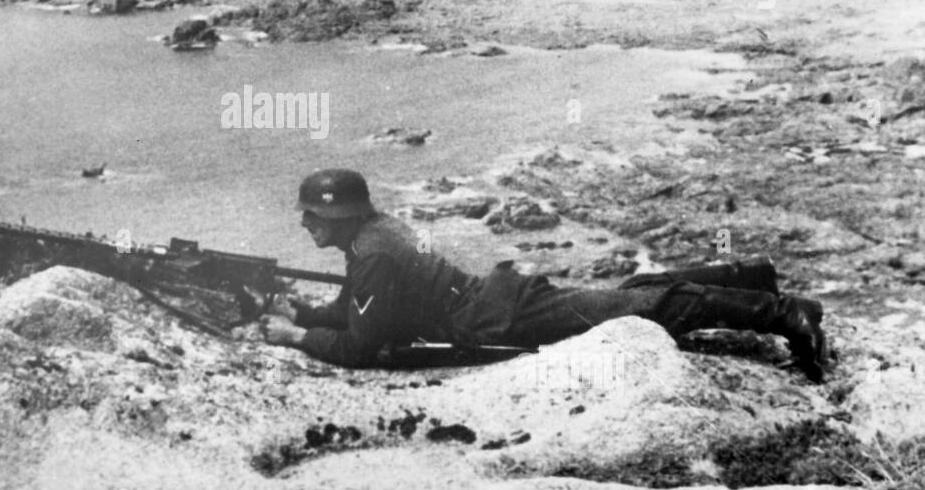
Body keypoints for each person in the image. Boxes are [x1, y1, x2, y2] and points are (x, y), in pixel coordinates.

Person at [262, 169, 830, 381]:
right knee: (620, 297)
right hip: (496, 299)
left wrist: (298, 336)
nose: (307, 223)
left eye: (314, 215)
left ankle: (784, 314)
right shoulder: (375, 233)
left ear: (339, 216)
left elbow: (362, 345)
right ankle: (749, 276)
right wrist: (312, 313)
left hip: (501, 315)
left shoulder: (373, 253)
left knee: (646, 308)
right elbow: (375, 309)